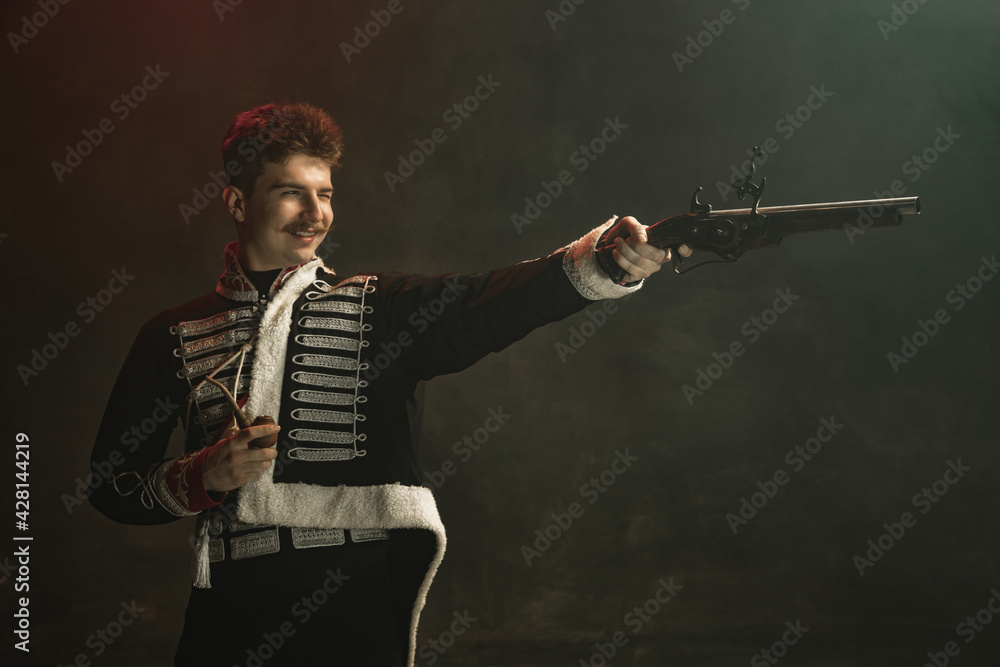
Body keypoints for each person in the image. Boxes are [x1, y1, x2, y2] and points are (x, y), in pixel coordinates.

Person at [89, 102, 688, 666]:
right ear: (238, 203)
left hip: (356, 597)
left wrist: (604, 262)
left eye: (324, 193)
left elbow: (490, 302)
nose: (315, 212)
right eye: (290, 192)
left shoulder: (383, 308)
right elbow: (111, 486)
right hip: (229, 600)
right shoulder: (171, 332)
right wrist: (204, 477)